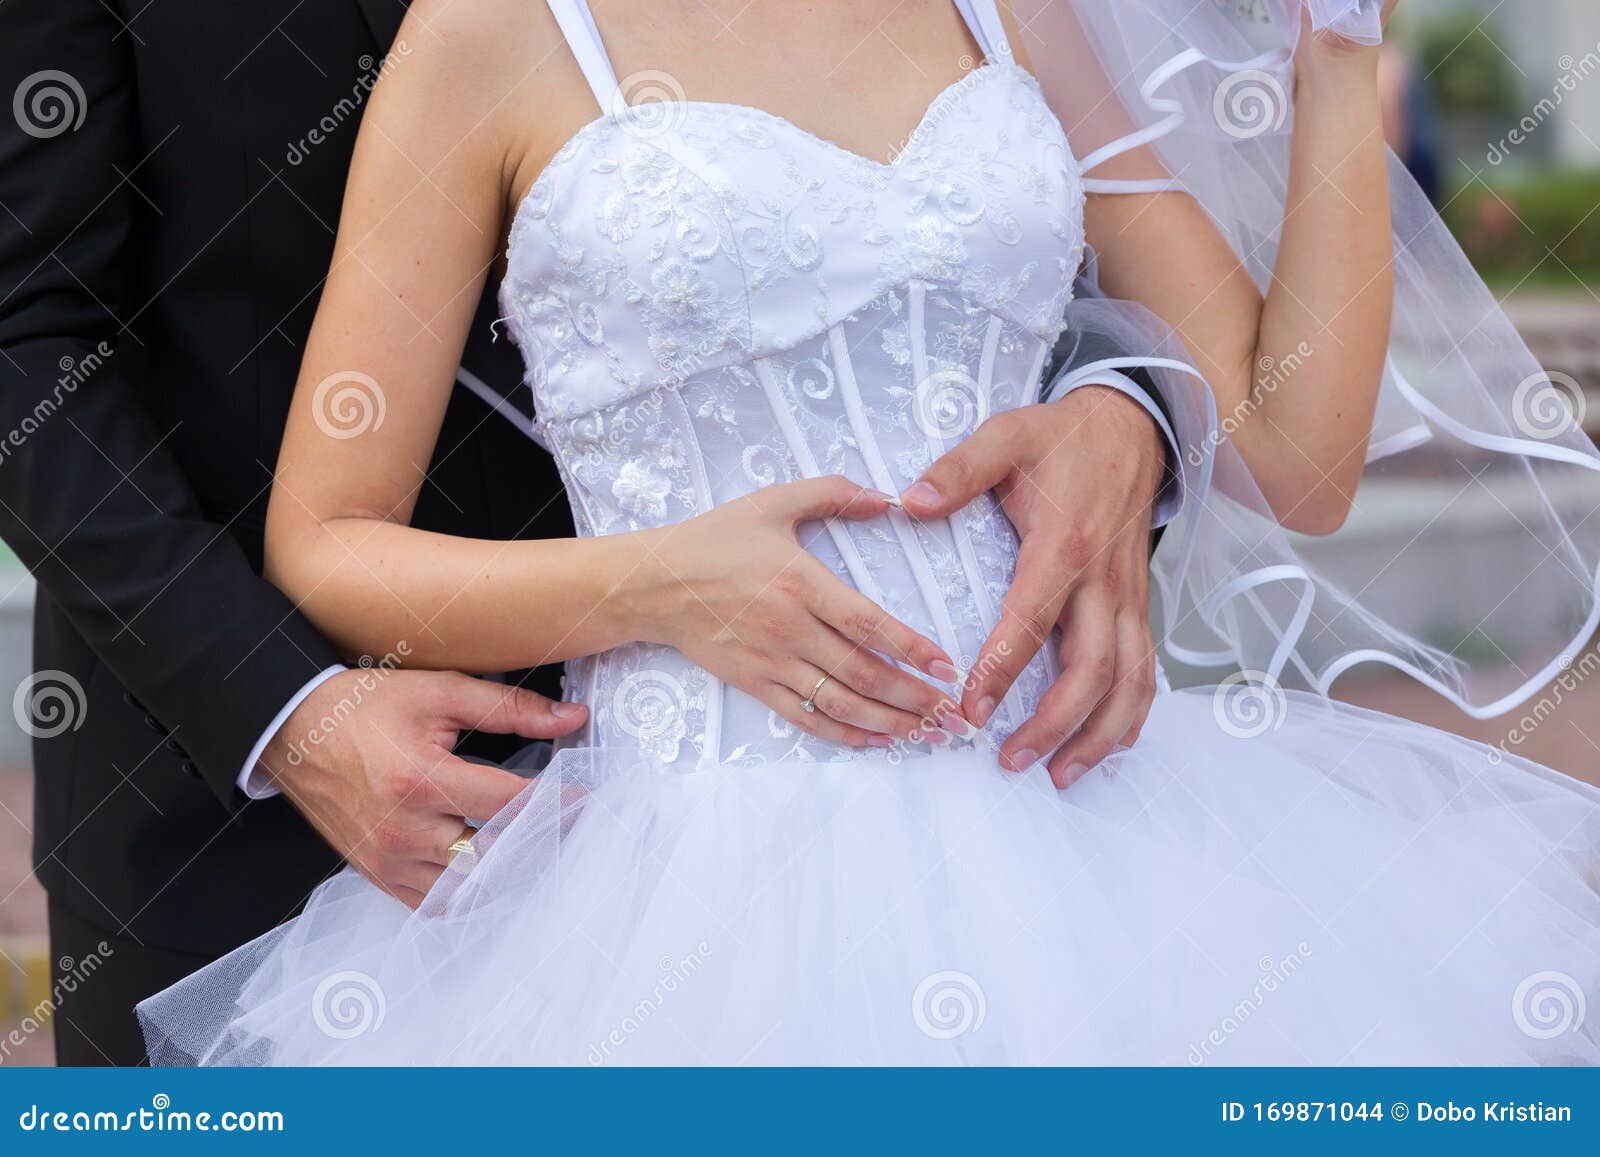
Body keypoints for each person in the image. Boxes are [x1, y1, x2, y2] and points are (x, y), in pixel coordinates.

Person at [136, 0, 1600, 1064]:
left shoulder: (1011, 14)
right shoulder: (490, 37)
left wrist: (1343, 57)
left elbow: (1296, 456)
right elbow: (328, 539)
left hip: (1088, 816)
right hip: (683, 876)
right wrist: (660, 585)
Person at [0, 0, 1173, 1064]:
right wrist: (286, 710)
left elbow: (971, 247)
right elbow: (21, 334)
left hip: (991, 809)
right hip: (251, 778)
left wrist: (1129, 408)